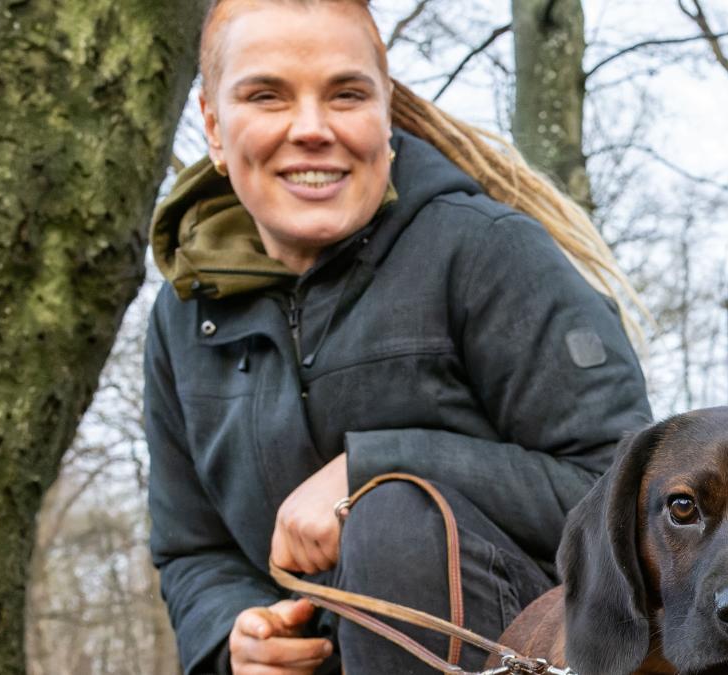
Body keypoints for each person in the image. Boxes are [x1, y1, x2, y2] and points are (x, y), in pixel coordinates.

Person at [145, 1, 651, 673]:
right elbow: (192, 547)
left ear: (385, 114)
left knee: (393, 516)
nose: (311, 128)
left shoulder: (487, 253)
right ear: (213, 124)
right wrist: (233, 634)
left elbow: (627, 492)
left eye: (346, 94)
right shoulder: (184, 315)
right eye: (266, 96)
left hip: (525, 649)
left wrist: (374, 470)